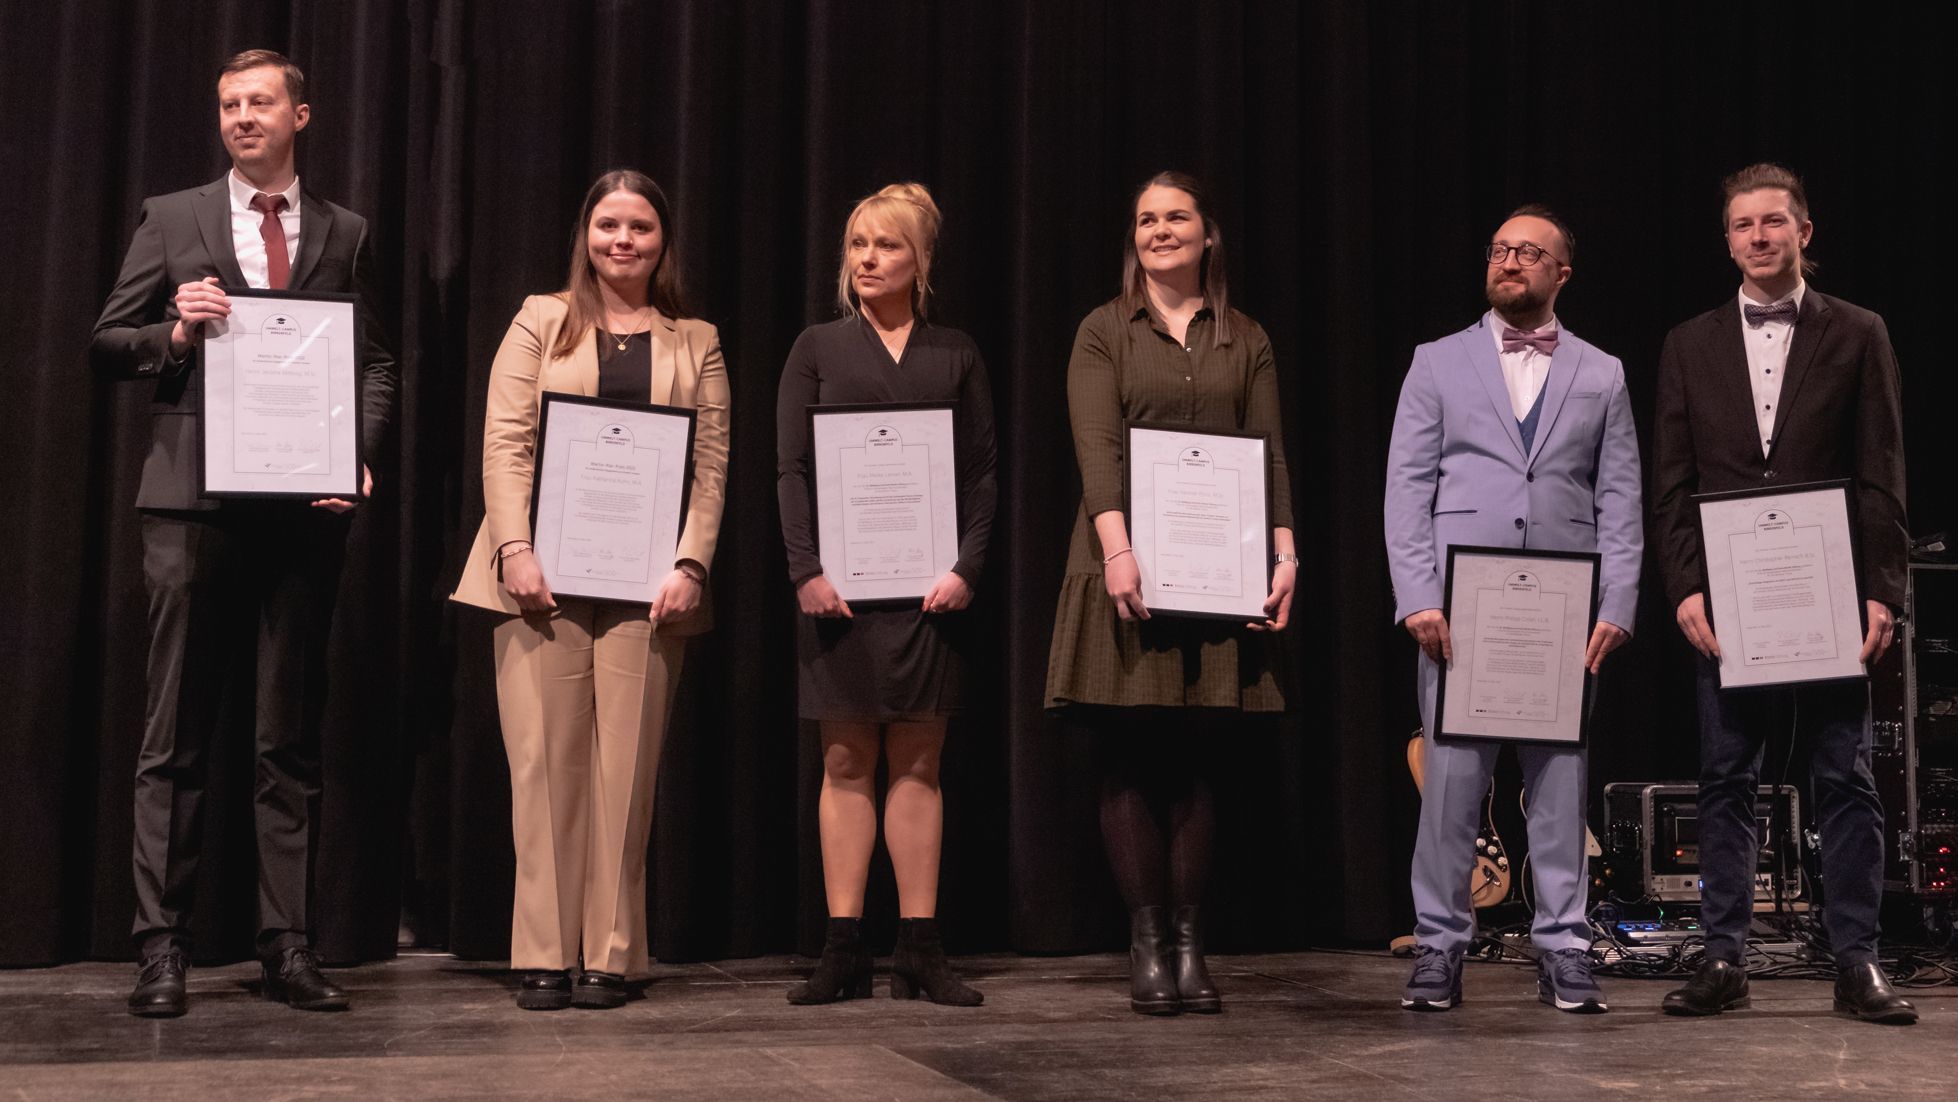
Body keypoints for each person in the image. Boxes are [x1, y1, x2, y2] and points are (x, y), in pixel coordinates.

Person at [90, 49, 397, 1018]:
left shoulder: (344, 232)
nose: (242, 116)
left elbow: (376, 363)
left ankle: (287, 943)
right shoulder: (174, 216)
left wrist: (358, 449)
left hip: (301, 513)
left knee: (286, 738)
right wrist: (173, 336)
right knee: (173, 732)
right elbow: (107, 341)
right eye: (228, 103)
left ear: (301, 114)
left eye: (261, 102)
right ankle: (162, 946)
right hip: (189, 505)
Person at [449, 169, 729, 1011]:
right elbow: (506, 444)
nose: (623, 240)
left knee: (626, 774)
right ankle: (541, 950)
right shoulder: (541, 319)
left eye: (641, 227)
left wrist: (691, 564)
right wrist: (514, 547)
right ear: (586, 233)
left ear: (663, 241)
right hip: (539, 581)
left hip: (650, 590)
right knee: (543, 770)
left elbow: (710, 469)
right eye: (608, 224)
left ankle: (611, 954)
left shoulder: (697, 339)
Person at [1654, 163, 1914, 1024]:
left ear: (1805, 231)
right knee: (1727, 776)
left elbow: (1881, 473)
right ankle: (1724, 959)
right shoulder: (1688, 343)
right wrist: (1686, 584)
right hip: (1730, 597)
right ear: (1726, 239)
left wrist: (1884, 590)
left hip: (1828, 593)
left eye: (1773, 222)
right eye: (1741, 225)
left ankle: (1856, 962)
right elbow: (1673, 482)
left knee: (1844, 775)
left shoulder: (1859, 332)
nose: (1758, 237)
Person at [1043, 171, 1295, 1015]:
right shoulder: (1104, 330)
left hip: (1217, 574)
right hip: (1127, 568)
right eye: (1145, 218)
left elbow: (1268, 453)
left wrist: (1283, 553)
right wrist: (1118, 550)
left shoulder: (1245, 337)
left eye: (1176, 217)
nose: (1160, 230)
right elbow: (1095, 447)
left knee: (1195, 764)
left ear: (1208, 233)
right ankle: (1146, 945)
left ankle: (1190, 947)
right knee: (1129, 758)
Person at [1383, 205, 1642, 1013]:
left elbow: (1621, 495)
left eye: (1530, 251)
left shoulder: (1602, 372)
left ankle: (1563, 945)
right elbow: (1406, 489)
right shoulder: (1437, 361)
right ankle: (1439, 946)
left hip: (1564, 614)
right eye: (1500, 248)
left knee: (1560, 790)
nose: (1510, 260)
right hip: (1463, 613)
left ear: (1562, 272)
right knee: (1454, 787)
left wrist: (1620, 600)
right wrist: (1418, 595)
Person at [775, 183, 997, 1006]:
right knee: (842, 758)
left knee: (920, 759)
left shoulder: (955, 353)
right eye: (858, 245)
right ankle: (842, 949)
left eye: (887, 246)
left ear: (921, 260)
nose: (868, 259)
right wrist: (806, 570)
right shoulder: (817, 349)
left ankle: (919, 947)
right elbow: (790, 469)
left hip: (929, 593)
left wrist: (968, 567)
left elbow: (980, 472)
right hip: (838, 596)